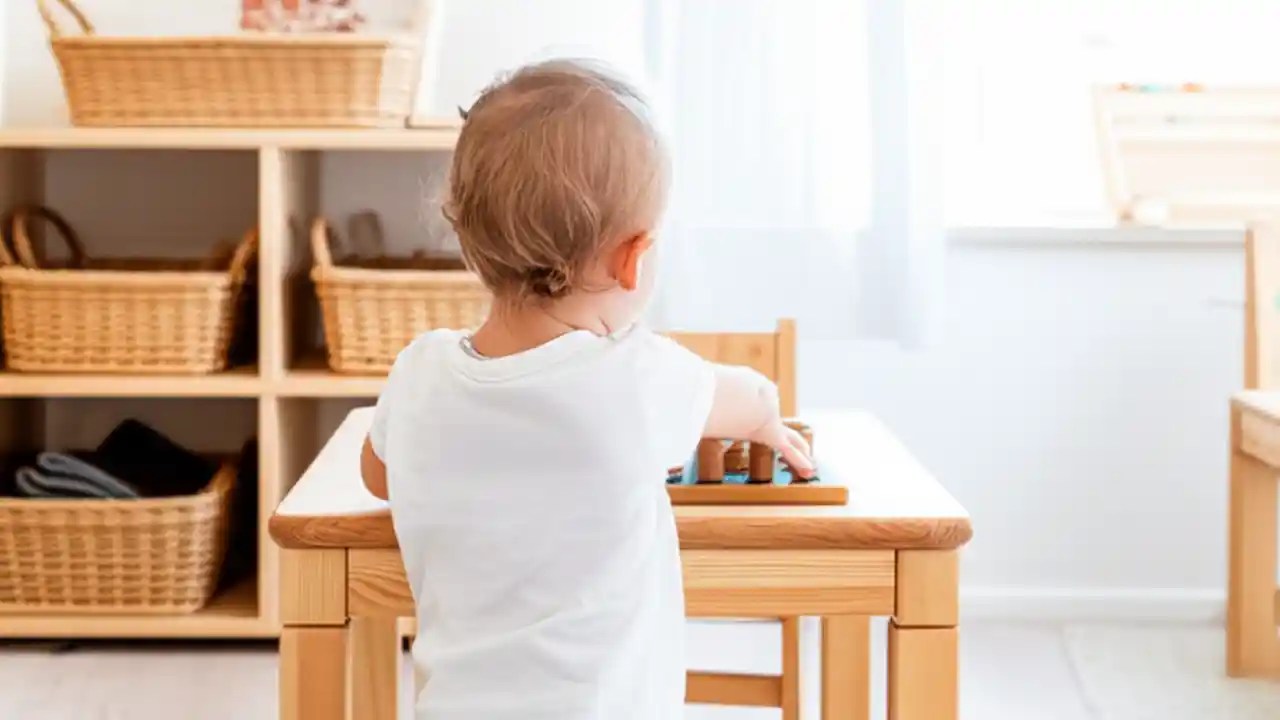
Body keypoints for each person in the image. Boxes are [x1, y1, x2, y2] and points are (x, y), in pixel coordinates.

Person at [360, 59, 814, 720]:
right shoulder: (633, 377)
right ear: (631, 260)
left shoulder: (422, 371)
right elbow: (747, 400)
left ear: (469, 243)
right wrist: (768, 418)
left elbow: (379, 476)